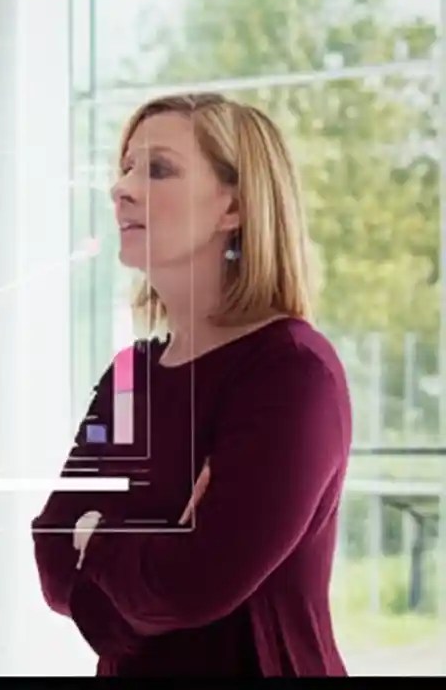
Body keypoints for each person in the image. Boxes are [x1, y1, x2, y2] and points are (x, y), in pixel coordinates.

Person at [31, 93, 351, 677]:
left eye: (158, 169)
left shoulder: (292, 372)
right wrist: (162, 544)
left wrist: (99, 539)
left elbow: (192, 584)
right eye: (126, 168)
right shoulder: (131, 377)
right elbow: (54, 556)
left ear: (233, 206)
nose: (122, 188)